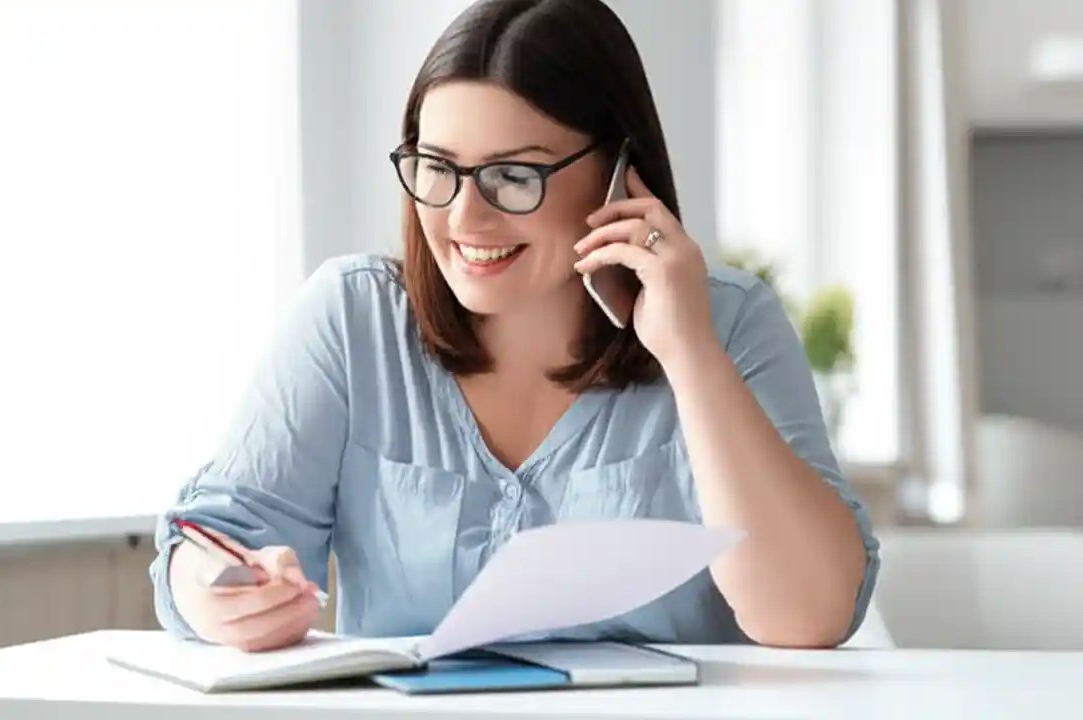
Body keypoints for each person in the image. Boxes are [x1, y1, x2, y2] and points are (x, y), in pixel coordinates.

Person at [150, 0, 879, 653]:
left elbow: (809, 616)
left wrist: (687, 351)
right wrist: (222, 595)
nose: (465, 218)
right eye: (438, 167)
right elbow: (214, 539)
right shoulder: (352, 320)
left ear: (621, 172)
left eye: (514, 175)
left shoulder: (730, 323)